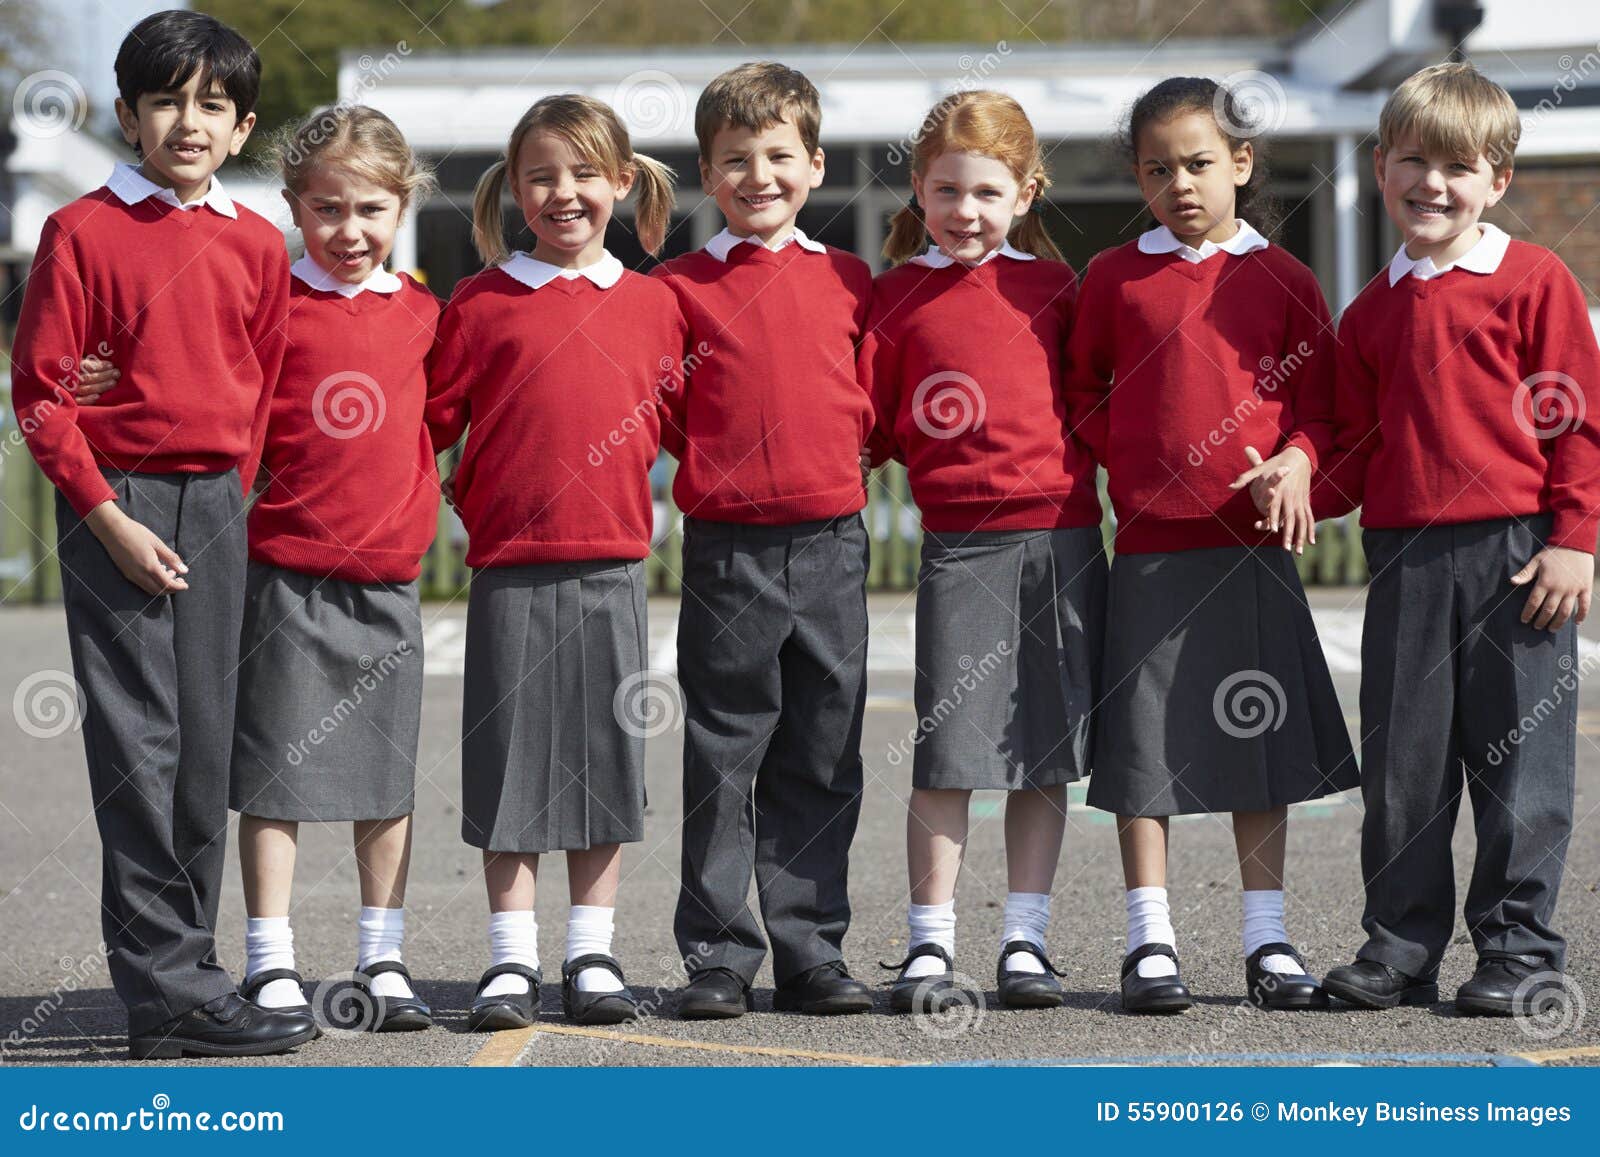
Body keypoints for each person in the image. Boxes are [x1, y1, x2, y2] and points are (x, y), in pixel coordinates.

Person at [8, 8, 313, 1058]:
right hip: (117, 503)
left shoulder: (256, 242)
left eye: (212, 104)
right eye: (167, 100)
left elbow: (265, 384)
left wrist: (233, 493)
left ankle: (184, 981)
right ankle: (168, 982)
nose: (189, 121)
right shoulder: (82, 230)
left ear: (242, 127)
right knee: (139, 749)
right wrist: (109, 519)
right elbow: (44, 397)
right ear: (131, 114)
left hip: (215, 505)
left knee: (200, 755)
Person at [1065, 75, 1357, 1014]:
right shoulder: (1113, 278)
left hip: (1253, 550)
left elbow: (1324, 410)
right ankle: (1148, 938)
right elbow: (1083, 393)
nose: (1179, 183)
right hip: (1150, 546)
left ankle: (1267, 940)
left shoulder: (1284, 278)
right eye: (1158, 169)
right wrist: (1138, 460)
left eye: (1197, 163)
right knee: (1142, 748)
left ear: (1240, 162)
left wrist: (1299, 460)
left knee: (1257, 742)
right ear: (1138, 179)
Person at [1314, 63, 1600, 1016]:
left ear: (1497, 182)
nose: (1432, 182)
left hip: (1521, 555)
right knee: (1405, 765)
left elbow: (1578, 420)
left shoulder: (1534, 280)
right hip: (1404, 555)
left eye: (1457, 166)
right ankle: (1399, 946)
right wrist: (1294, 479)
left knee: (1523, 765)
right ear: (1381, 165)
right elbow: (1351, 453)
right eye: (1413, 160)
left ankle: (1518, 951)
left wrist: (1576, 537)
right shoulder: (1370, 311)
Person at [427, 94, 684, 1028]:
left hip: (613, 568)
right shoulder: (480, 302)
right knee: (509, 767)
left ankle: (592, 952)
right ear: (514, 188)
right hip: (507, 568)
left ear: (621, 180)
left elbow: (697, 423)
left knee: (604, 765)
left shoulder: (656, 305)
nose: (562, 193)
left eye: (582, 174)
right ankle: (510, 959)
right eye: (542, 176)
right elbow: (425, 421)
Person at [860, 91, 1104, 1012]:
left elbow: (1089, 398)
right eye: (947, 190)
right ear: (919, 191)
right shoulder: (894, 297)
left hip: (1062, 540)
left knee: (1043, 752)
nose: (966, 211)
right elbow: (870, 422)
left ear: (1027, 194)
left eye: (987, 192)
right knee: (951, 750)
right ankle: (930, 942)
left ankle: (1025, 941)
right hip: (960, 547)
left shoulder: (1058, 291)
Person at [652, 62, 876, 1018]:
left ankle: (811, 948)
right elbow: (662, 410)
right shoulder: (679, 289)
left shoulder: (855, 284)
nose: (758, 175)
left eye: (778, 156)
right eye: (735, 159)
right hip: (728, 550)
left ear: (815, 165)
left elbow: (876, 402)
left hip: (832, 539)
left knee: (823, 746)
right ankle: (717, 953)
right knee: (723, 748)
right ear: (709, 172)